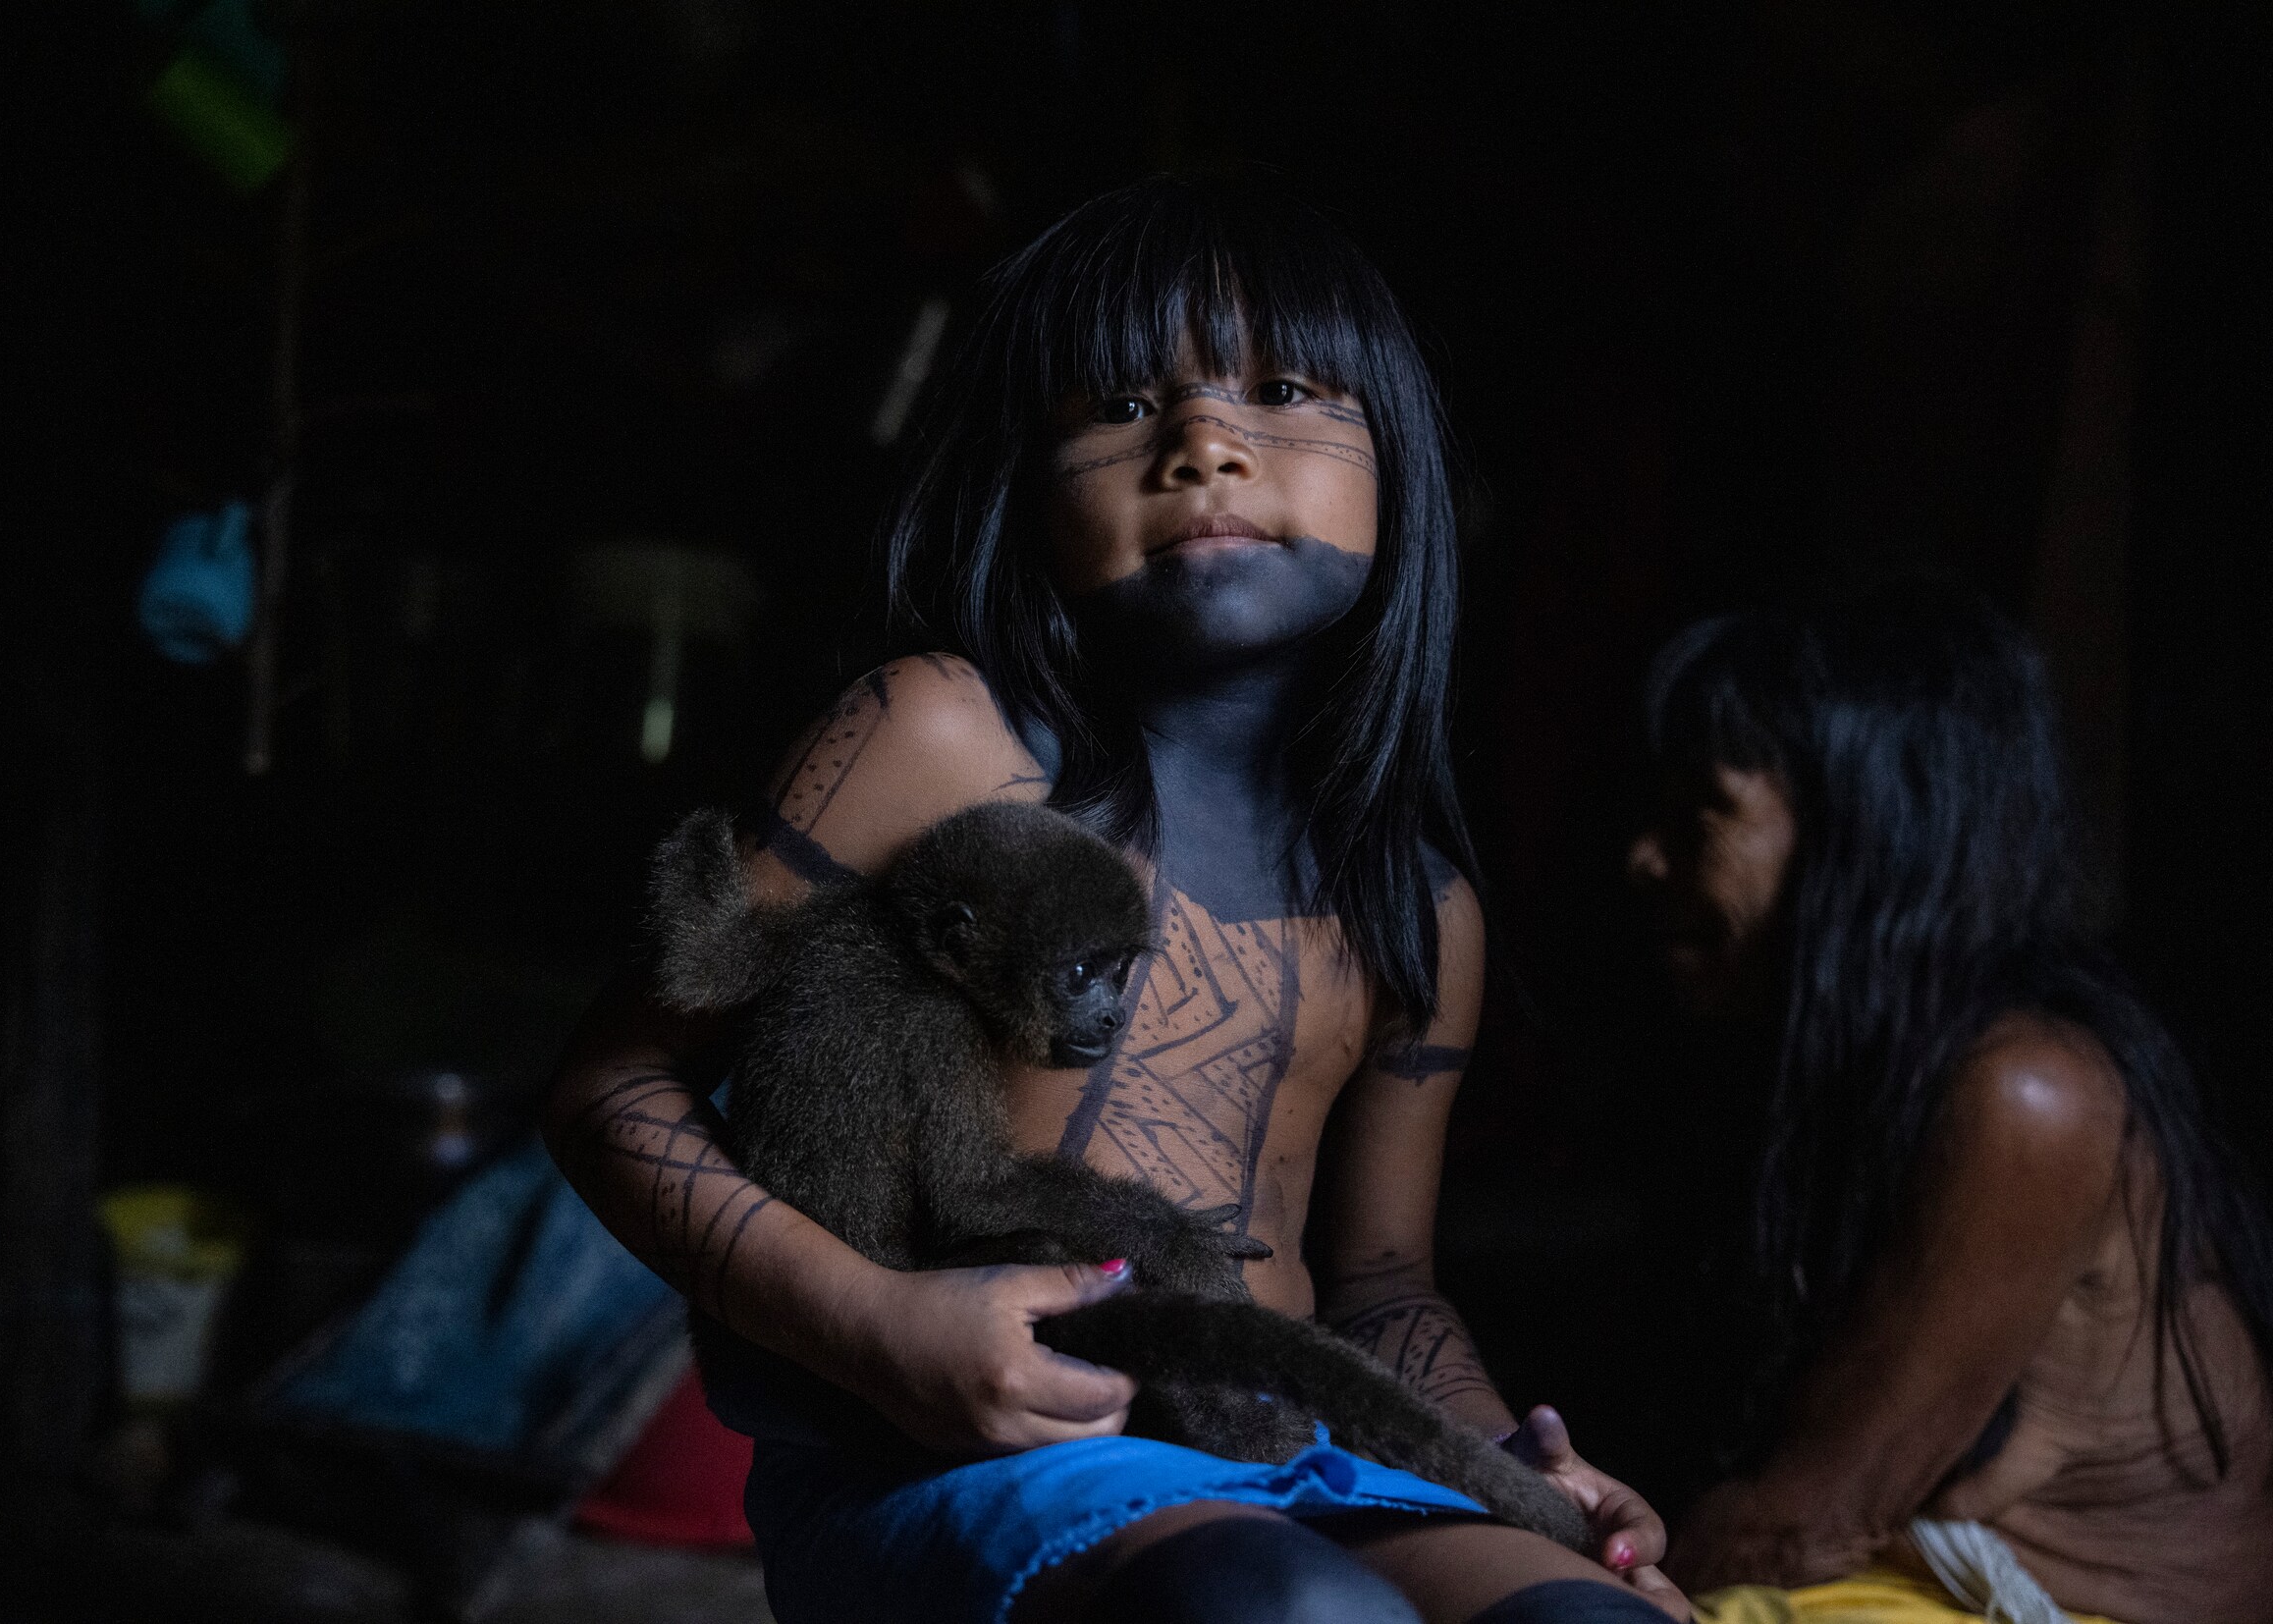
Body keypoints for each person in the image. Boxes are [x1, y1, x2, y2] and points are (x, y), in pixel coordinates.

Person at [545, 177, 1683, 1624]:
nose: (1203, 442)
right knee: (1290, 1614)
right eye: (1123, 407)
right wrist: (880, 1326)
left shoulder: (1414, 903)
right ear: (1025, 489)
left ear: (1398, 462)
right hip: (973, 1438)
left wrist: (1522, 1463)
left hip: (1294, 1434)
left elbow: (1384, 1282)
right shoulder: (941, 737)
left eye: (1280, 390)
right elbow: (611, 1085)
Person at [1624, 584, 2273, 1623]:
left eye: (1701, 811)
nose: (1643, 856)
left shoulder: (2028, 1096)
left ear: (1860, 832)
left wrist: (1556, 1571)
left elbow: (1803, 1524)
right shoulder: (1844, 1072)